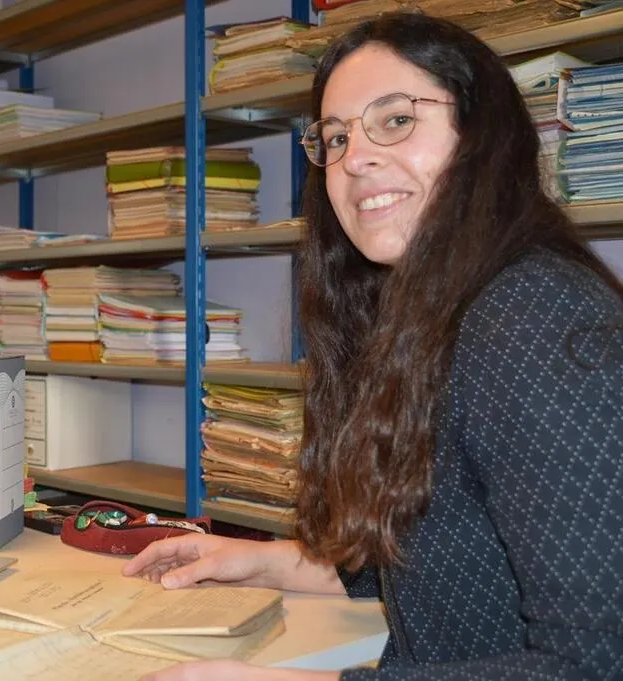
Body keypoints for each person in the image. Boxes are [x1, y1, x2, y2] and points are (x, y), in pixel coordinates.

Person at [123, 11, 623, 681]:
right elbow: (446, 576)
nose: (354, 157)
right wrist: (264, 560)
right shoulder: (432, 311)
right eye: (334, 137)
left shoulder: (531, 311)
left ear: (483, 137)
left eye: (395, 119)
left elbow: (595, 663)